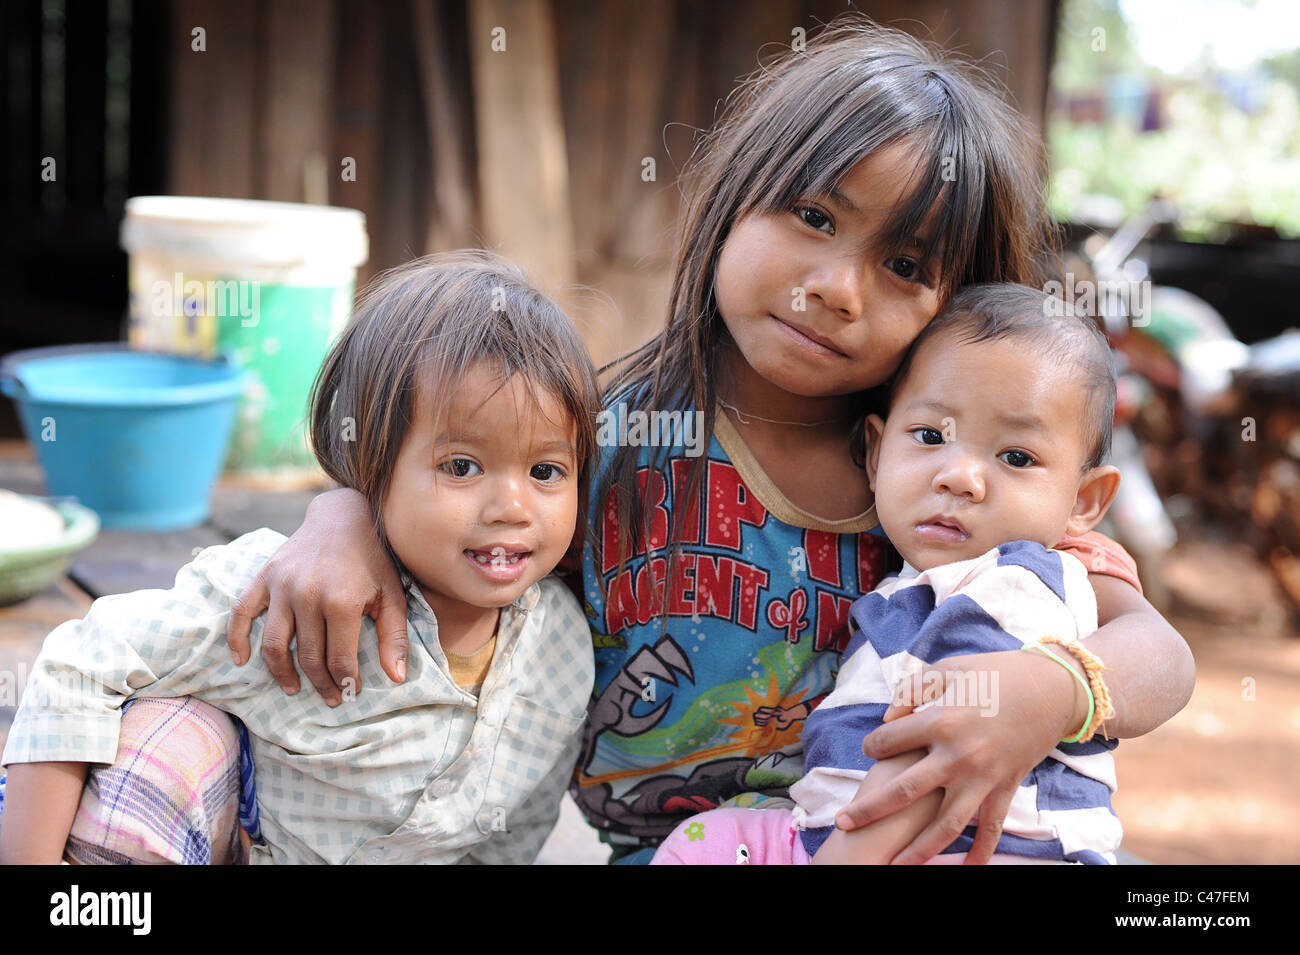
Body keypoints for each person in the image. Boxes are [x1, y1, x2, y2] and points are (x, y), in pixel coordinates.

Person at [225, 16, 1194, 865]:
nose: (835, 286)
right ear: (733, 197)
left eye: (903, 264)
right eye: (812, 216)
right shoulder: (603, 445)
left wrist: (1050, 687)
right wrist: (344, 510)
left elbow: (1156, 653)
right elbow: (452, 503)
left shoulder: (955, 480)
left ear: (956, 300)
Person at [0, 252, 599, 864]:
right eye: (462, 466)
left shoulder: (561, 650)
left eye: (546, 471)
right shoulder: (282, 591)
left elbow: (507, 841)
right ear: (370, 462)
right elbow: (80, 665)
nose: (512, 507)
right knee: (159, 751)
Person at [653, 283, 1129, 864]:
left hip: (976, 847)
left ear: (1083, 501)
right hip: (850, 835)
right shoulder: (919, 587)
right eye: (931, 437)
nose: (960, 477)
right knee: (709, 844)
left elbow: (937, 750)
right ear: (877, 455)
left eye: (1015, 457)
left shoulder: (1015, 584)